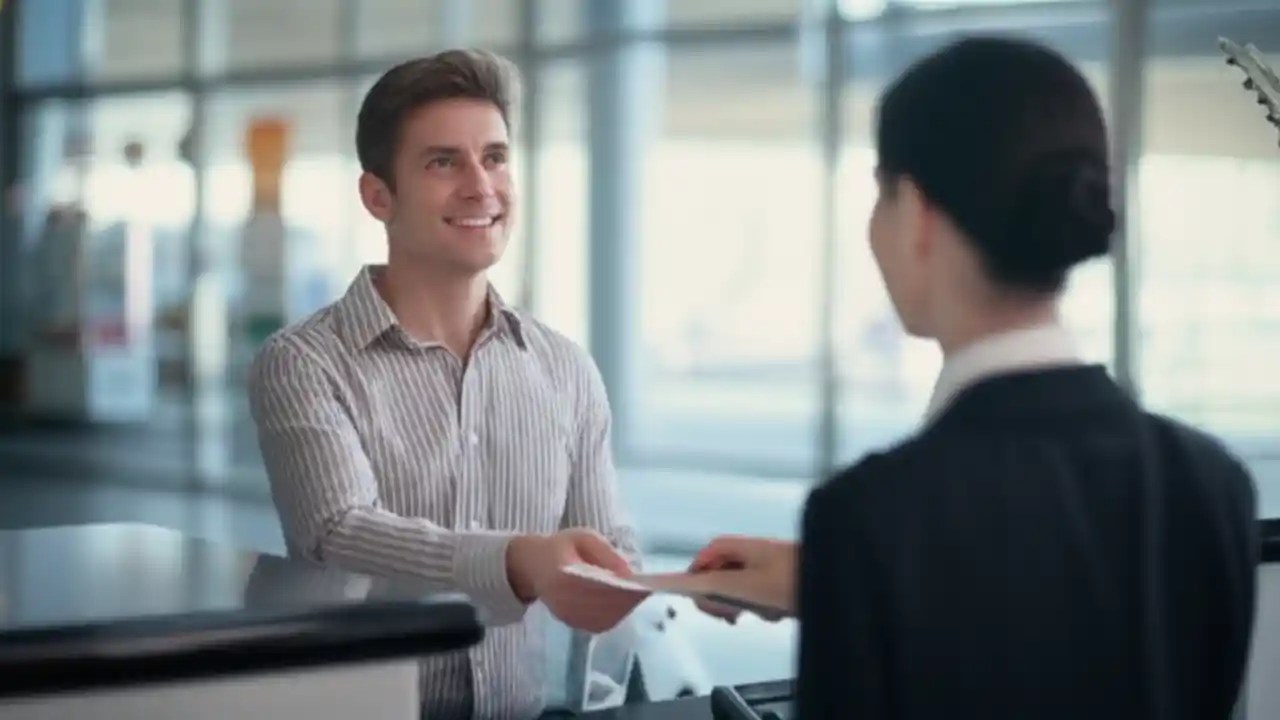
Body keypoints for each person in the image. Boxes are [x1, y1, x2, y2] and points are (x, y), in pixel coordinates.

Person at [690, 36, 1259, 719]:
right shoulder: (1212, 485)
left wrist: (859, 577)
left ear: (919, 214)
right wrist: (834, 581)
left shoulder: (869, 518)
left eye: (879, 195)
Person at [248, 49, 644, 720]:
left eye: (494, 157)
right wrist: (520, 561)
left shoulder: (564, 368)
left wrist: (664, 583)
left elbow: (604, 545)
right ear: (378, 196)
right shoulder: (303, 362)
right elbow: (339, 534)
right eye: (443, 162)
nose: (480, 187)